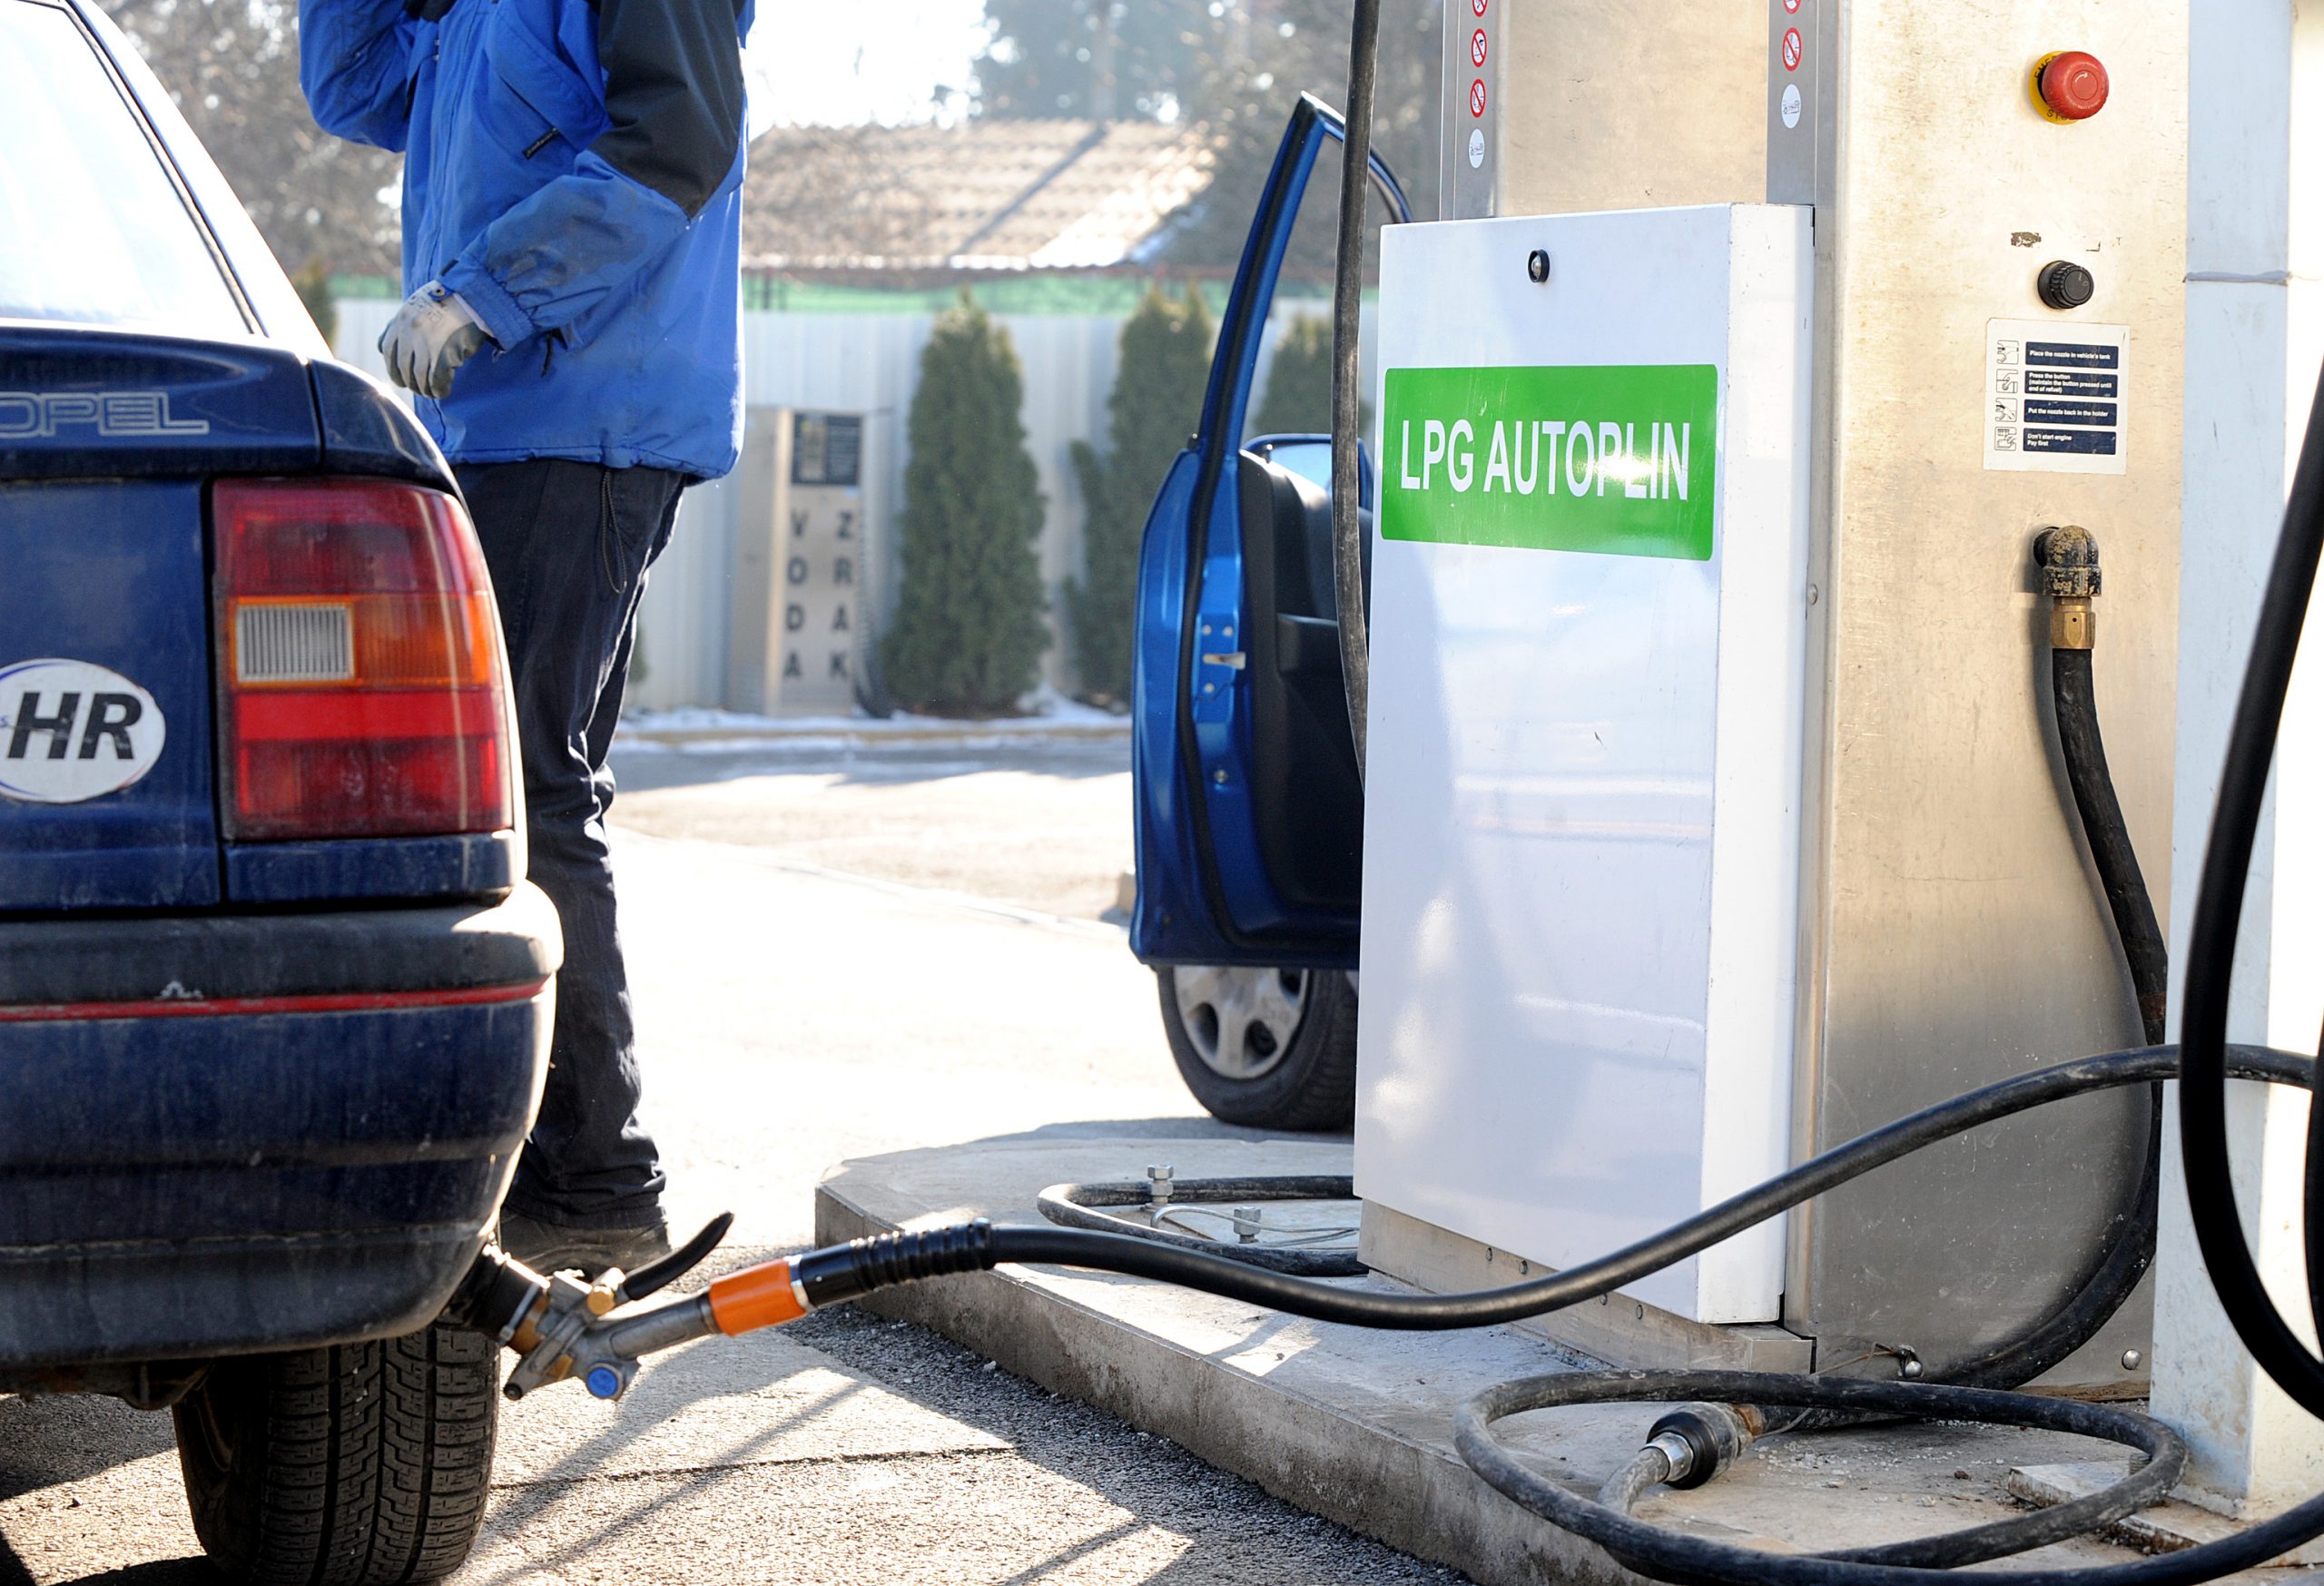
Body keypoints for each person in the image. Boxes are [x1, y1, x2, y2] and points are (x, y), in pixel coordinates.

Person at [300, 0, 751, 1273]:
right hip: (501, 424)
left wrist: (487, 292)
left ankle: (598, 1178)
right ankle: (555, 1166)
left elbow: (682, 141)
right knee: (519, 791)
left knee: (530, 789)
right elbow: (352, 91)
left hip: (583, 411)